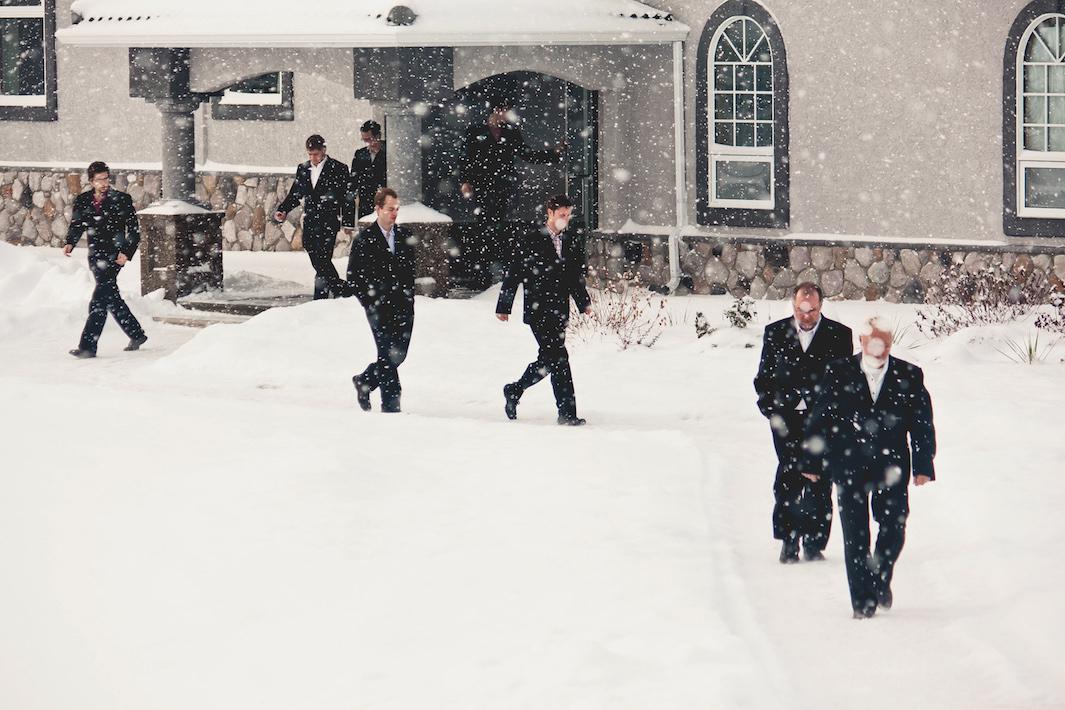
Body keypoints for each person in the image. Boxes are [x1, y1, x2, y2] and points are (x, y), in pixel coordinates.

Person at [801, 317, 936, 619]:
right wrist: (810, 460)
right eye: (873, 342)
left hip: (892, 465)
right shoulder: (839, 372)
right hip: (849, 463)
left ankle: (880, 574)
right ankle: (862, 600)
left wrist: (923, 463)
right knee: (855, 534)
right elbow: (819, 417)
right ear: (861, 343)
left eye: (885, 343)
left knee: (894, 528)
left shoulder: (909, 374)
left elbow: (922, 423)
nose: (880, 349)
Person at [754, 283, 853, 564]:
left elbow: (844, 381)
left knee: (820, 480)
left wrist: (834, 413)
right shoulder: (776, 333)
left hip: (823, 421)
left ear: (821, 306)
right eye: (800, 309)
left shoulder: (839, 335)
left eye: (811, 309)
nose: (805, 315)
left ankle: (814, 540)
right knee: (788, 477)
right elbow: (764, 377)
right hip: (786, 420)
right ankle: (788, 539)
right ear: (793, 305)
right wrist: (771, 409)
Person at [495, 194, 592, 426]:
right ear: (549, 213)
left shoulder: (570, 240)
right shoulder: (531, 239)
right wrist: (504, 305)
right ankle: (567, 413)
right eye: (561, 215)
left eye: (568, 215)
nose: (565, 219)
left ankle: (515, 390)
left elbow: (573, 276)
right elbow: (514, 272)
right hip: (538, 309)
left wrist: (583, 302)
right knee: (559, 357)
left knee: (550, 359)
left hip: (560, 310)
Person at [460, 97, 565, 285]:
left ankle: (499, 272)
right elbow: (465, 158)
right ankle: (481, 274)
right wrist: (465, 181)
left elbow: (526, 154)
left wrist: (553, 154)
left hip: (503, 187)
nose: (507, 115)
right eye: (504, 111)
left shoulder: (511, 132)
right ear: (495, 110)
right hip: (482, 187)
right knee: (484, 229)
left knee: (499, 229)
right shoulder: (475, 131)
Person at [63, 161, 147, 359]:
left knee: (99, 299)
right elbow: (77, 224)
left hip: (114, 256)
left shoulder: (122, 199)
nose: (104, 183)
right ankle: (137, 334)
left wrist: (126, 252)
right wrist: (70, 242)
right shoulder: (83, 200)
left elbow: (134, 230)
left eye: (106, 178)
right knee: (111, 297)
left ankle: (87, 346)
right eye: (99, 179)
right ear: (91, 181)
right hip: (95, 255)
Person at [347, 188, 415, 414]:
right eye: (390, 209)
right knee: (387, 357)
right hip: (379, 308)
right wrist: (369, 301)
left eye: (397, 209)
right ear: (378, 209)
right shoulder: (365, 240)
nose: (394, 213)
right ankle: (391, 406)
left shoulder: (405, 236)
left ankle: (365, 380)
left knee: (399, 354)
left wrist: (408, 296)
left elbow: (409, 272)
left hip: (403, 307)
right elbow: (353, 277)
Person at [275, 134, 354, 300]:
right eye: (310, 154)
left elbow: (347, 198)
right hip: (310, 220)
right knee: (316, 257)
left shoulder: (338, 168)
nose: (313, 158)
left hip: (329, 220)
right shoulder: (303, 168)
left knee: (323, 259)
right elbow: (295, 193)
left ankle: (321, 298)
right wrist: (283, 209)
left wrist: (348, 222)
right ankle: (342, 289)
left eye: (316, 154)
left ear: (324, 150)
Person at [350, 119, 387, 219]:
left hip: (384, 202)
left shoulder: (388, 152)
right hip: (365, 204)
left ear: (378, 136)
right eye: (364, 140)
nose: (367, 143)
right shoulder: (360, 154)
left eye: (369, 139)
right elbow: (353, 181)